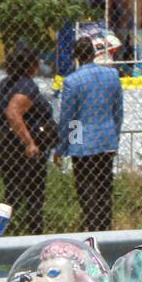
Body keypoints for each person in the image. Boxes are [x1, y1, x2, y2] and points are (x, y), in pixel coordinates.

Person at [55, 37, 124, 232]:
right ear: (94, 54)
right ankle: (105, 230)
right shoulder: (112, 75)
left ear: (76, 56)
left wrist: (63, 147)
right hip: (106, 141)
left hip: (83, 146)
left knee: (87, 191)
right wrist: (114, 138)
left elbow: (70, 118)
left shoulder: (72, 81)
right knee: (104, 189)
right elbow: (117, 111)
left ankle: (93, 229)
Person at [0, 47, 55, 235]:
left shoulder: (6, 83)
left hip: (7, 148)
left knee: (12, 194)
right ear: (30, 66)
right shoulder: (26, 86)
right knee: (34, 197)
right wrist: (29, 143)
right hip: (26, 152)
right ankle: (34, 238)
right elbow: (13, 113)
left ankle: (5, 234)